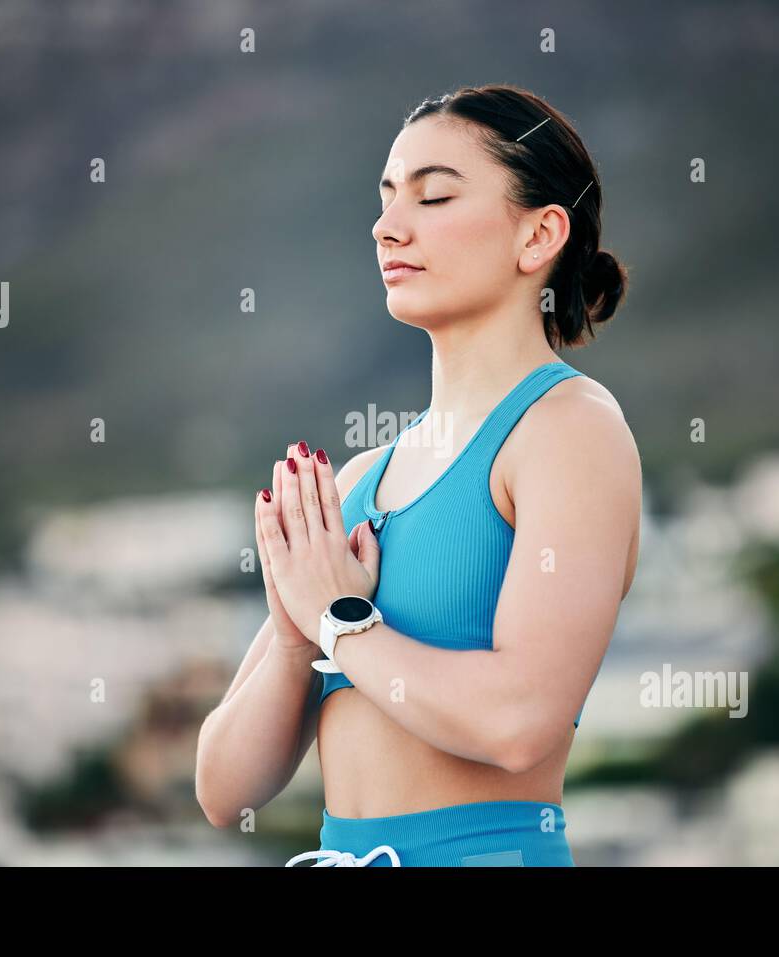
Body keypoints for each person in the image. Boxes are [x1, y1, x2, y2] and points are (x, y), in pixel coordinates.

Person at [196, 84, 642, 866]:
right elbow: (223, 789)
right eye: (386, 197)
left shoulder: (571, 431)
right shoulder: (359, 480)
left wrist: (339, 619)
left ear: (539, 234)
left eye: (434, 196)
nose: (386, 226)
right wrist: (301, 637)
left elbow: (520, 722)